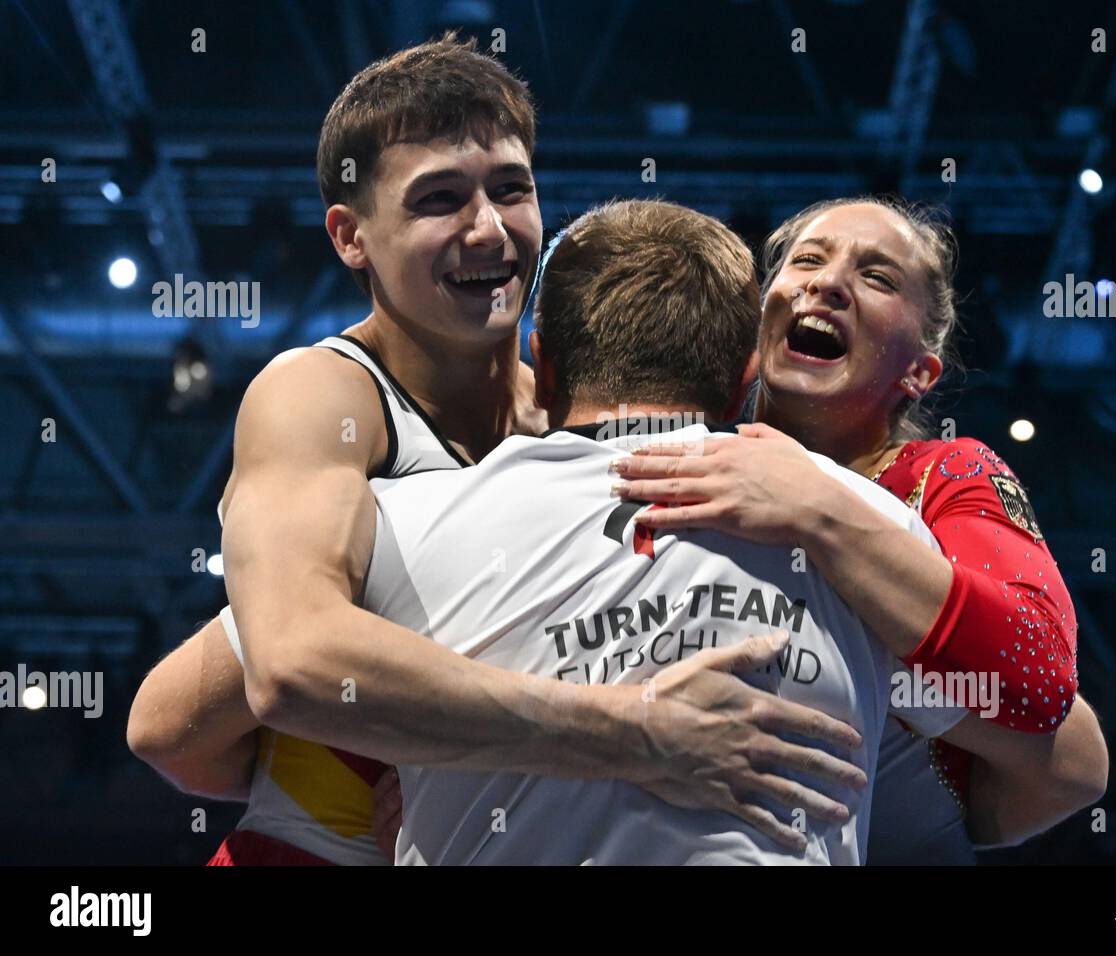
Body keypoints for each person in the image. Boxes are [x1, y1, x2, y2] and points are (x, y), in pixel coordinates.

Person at [127, 36, 862, 865]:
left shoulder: (566, 426)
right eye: (439, 200)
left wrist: (449, 770)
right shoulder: (321, 396)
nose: (489, 231)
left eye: (511, 189)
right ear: (350, 236)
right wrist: (639, 730)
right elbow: (261, 680)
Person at [367, 198, 966, 863]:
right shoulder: (872, 527)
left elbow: (246, 717)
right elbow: (1055, 763)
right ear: (748, 375)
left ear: (541, 367)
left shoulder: (402, 523)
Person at [612, 196, 1104, 860]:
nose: (828, 282)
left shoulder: (943, 475)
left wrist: (817, 509)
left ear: (918, 372)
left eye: (876, 278)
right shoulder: (674, 448)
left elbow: (1039, 677)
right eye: (807, 260)